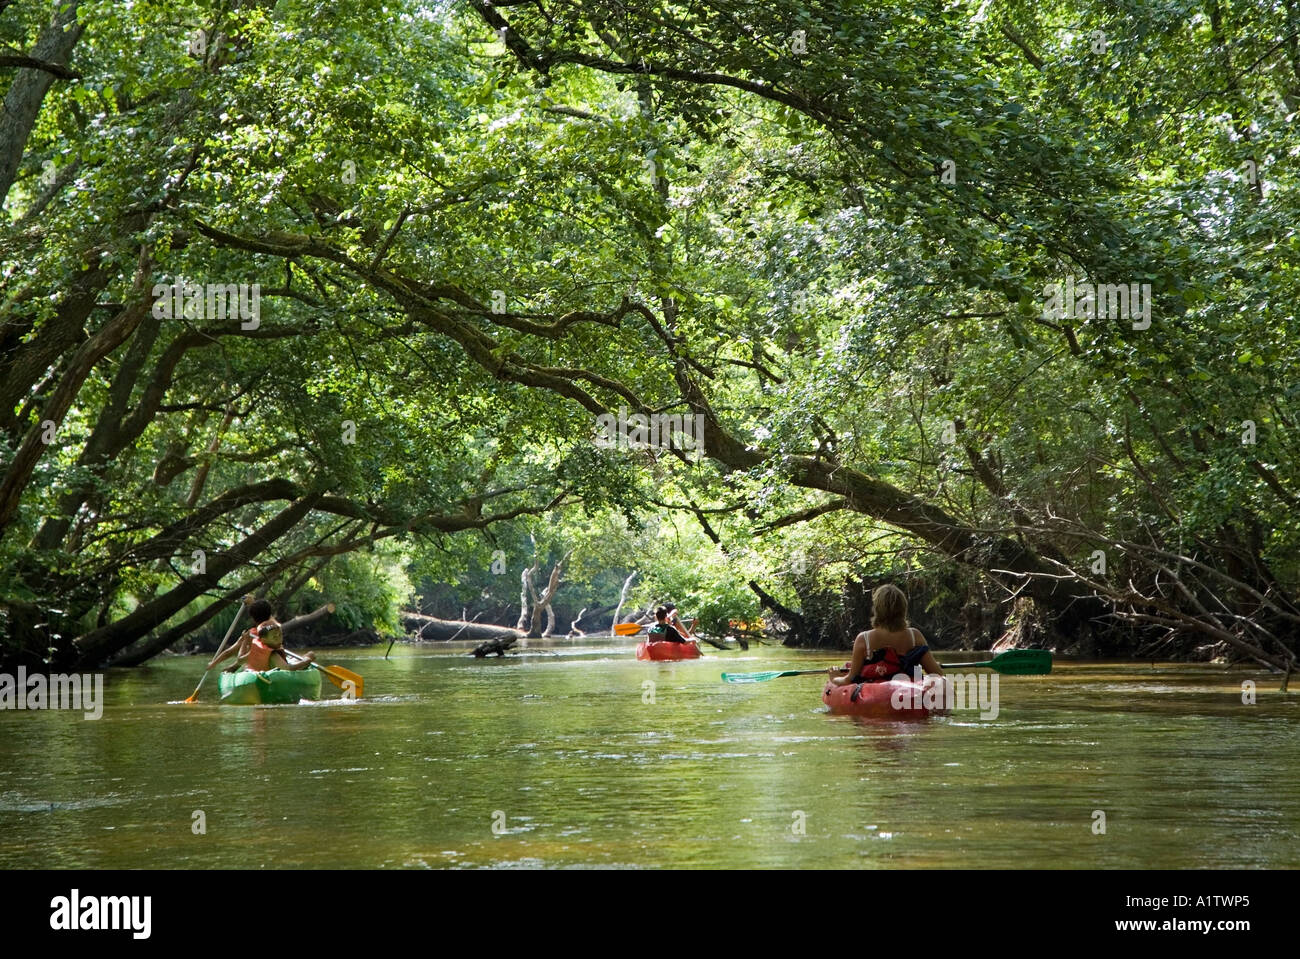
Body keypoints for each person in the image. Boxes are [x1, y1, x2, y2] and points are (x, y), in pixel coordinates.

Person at [827, 584, 943, 685]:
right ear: (903, 609)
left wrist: (834, 677)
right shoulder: (915, 636)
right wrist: (934, 665)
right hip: (910, 696)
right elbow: (937, 674)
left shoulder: (864, 639)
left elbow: (849, 680)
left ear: (876, 609)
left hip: (876, 699)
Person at [208, 599, 315, 673]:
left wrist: (213, 663)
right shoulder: (275, 628)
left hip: (258, 665)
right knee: (310, 654)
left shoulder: (250, 634)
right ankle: (234, 666)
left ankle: (234, 666)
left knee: (243, 661)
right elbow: (270, 618)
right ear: (270, 614)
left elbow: (229, 652)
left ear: (253, 618)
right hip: (275, 663)